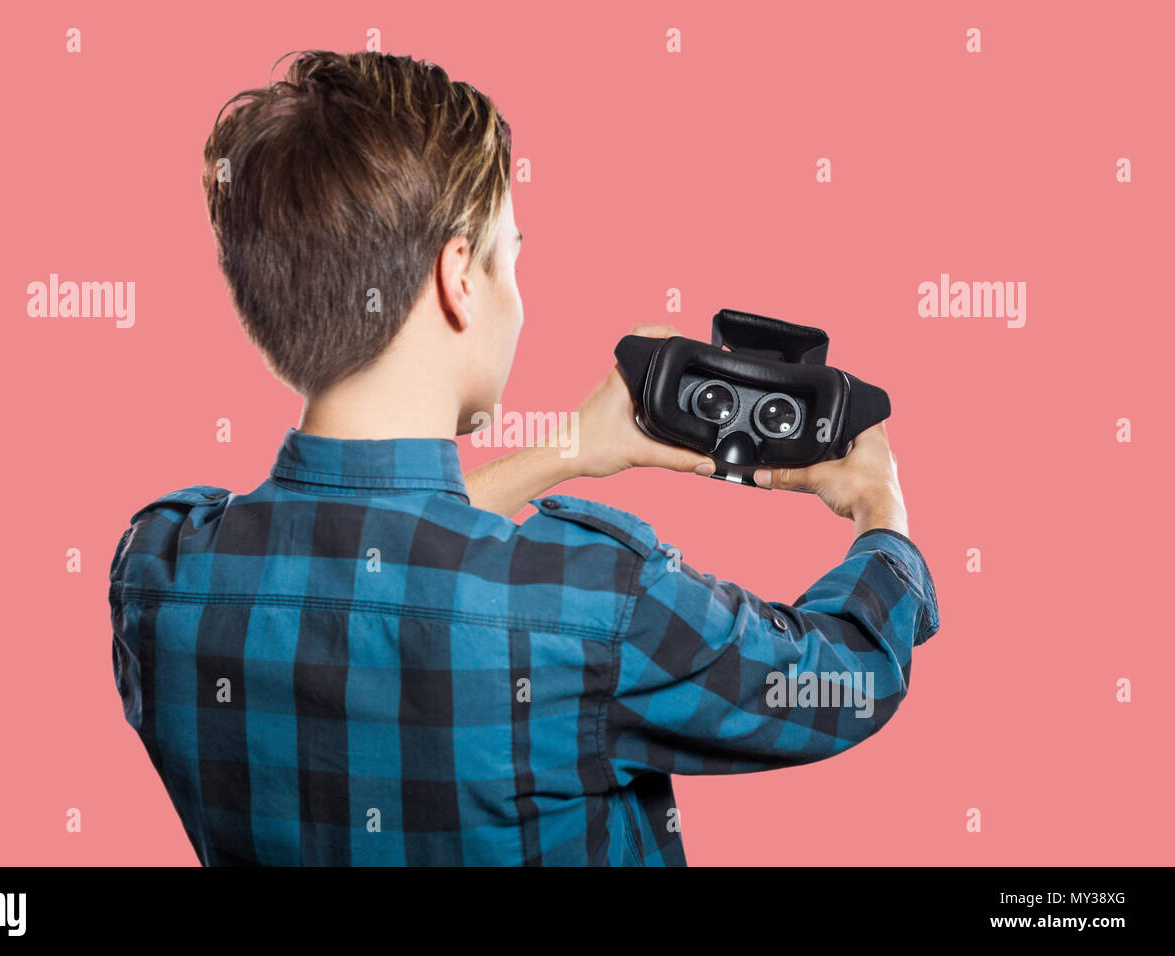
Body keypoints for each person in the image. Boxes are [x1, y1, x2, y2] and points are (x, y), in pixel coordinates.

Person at [108, 49, 940, 866]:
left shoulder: (157, 572)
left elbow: (375, 564)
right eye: (513, 254)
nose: (518, 298)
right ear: (457, 276)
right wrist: (882, 512)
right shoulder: (597, 602)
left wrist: (569, 450)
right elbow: (844, 681)